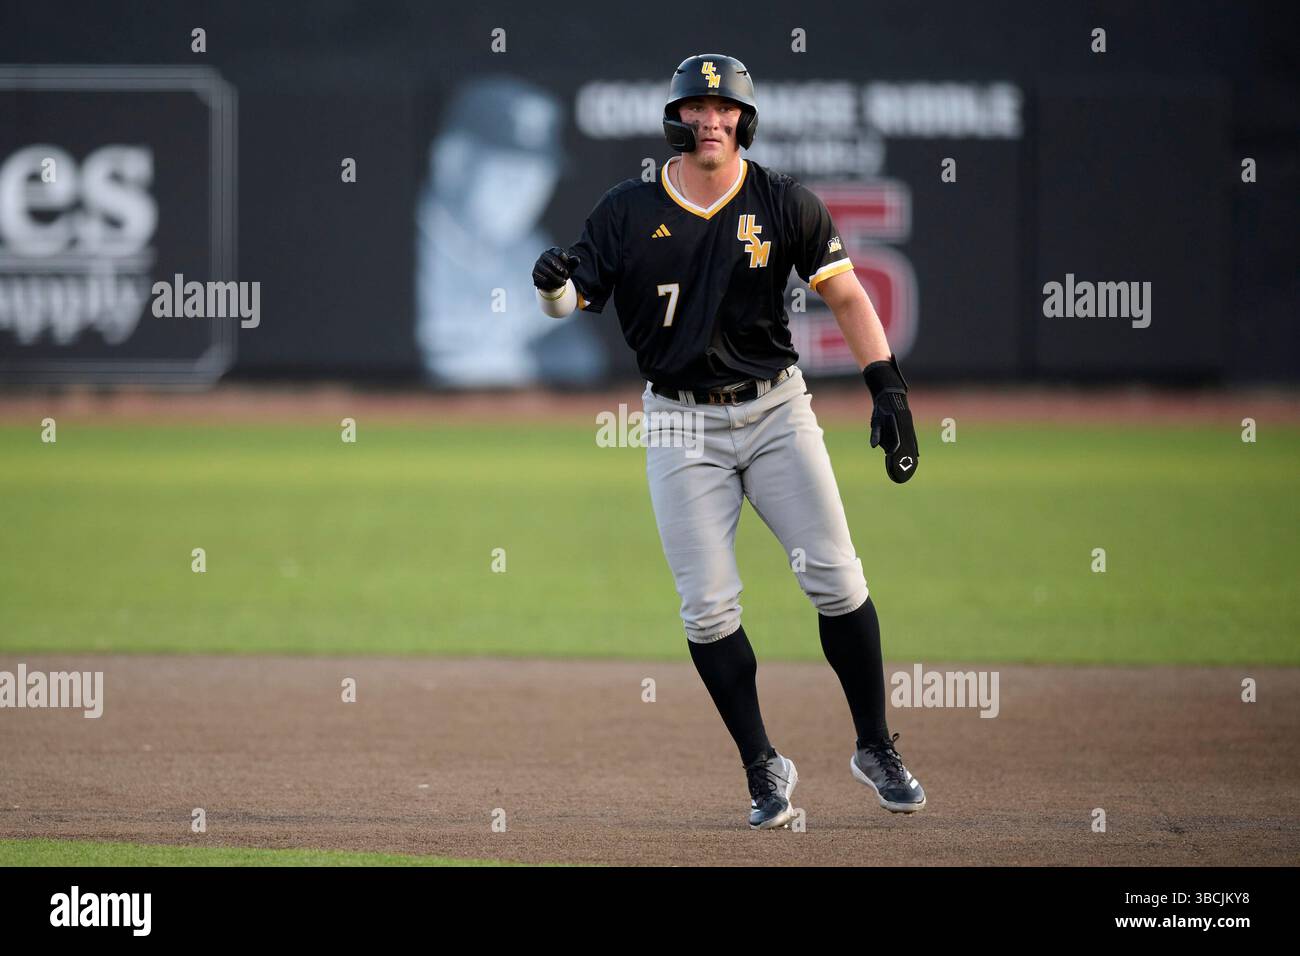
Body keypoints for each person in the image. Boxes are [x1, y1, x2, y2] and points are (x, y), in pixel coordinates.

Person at [532, 54, 925, 829]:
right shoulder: (626, 208)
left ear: (744, 119)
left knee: (838, 580)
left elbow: (845, 291)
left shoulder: (782, 202)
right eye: (696, 108)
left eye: (724, 108)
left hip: (777, 408)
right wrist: (551, 283)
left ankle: (875, 745)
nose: (710, 120)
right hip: (680, 421)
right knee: (707, 610)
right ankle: (762, 768)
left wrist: (888, 385)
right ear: (676, 120)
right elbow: (570, 298)